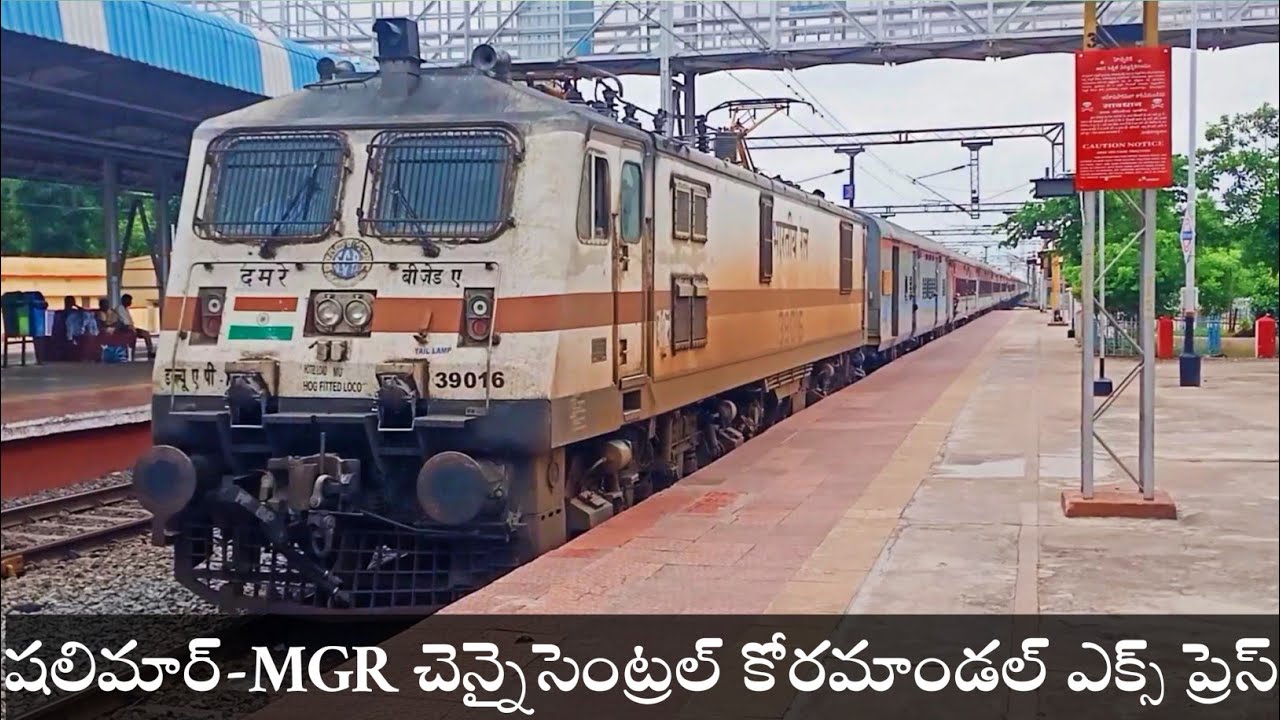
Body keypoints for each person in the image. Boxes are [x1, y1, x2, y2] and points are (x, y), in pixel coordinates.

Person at [115, 294, 154, 358]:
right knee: (134, 335)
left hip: (130, 327)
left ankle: (150, 352)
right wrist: (133, 330)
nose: (131, 302)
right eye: (129, 300)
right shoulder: (120, 309)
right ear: (124, 300)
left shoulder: (125, 309)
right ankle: (131, 354)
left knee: (146, 333)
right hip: (124, 329)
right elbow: (125, 322)